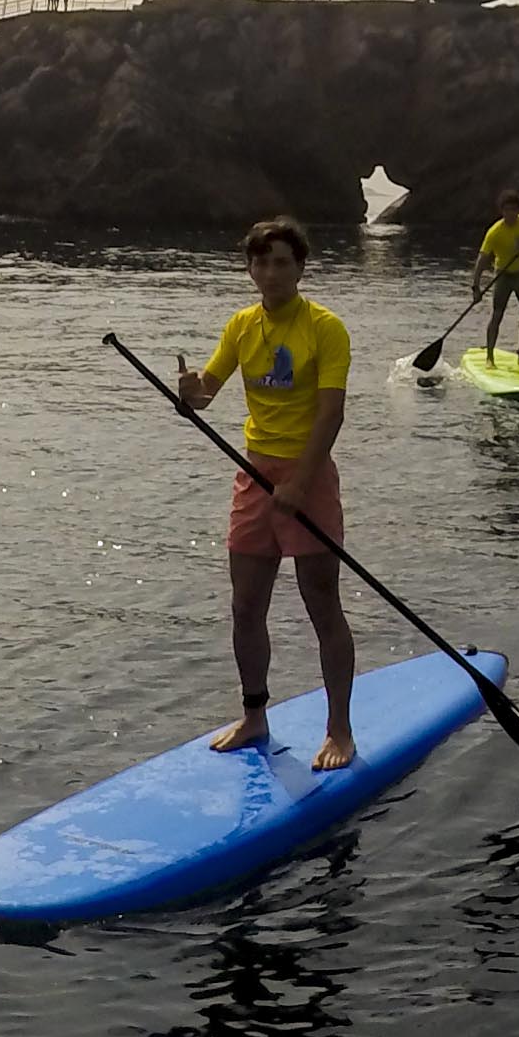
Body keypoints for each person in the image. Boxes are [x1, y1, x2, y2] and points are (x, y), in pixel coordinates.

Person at [180, 216, 360, 770]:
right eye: (261, 262)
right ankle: (256, 716)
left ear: (300, 267)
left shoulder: (325, 328)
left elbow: (332, 412)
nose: (271, 272)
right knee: (245, 606)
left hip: (308, 476)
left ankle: (340, 731)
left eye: (282, 261)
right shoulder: (241, 326)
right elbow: (208, 390)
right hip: (254, 476)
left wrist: (299, 482)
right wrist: (192, 393)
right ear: (250, 269)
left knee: (321, 605)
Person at [472, 188, 519, 364]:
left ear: (518, 210)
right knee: (497, 314)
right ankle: (489, 356)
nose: (510, 214)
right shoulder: (495, 232)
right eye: (507, 210)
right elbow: (482, 260)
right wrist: (476, 287)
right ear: (502, 211)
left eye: (513, 209)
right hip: (503, 275)